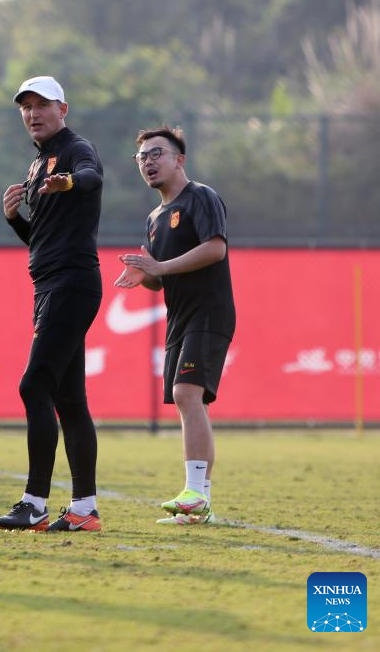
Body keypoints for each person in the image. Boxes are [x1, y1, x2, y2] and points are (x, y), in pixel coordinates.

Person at [0, 75, 104, 533]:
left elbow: (93, 177)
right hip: (52, 285)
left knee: (32, 385)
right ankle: (84, 509)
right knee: (68, 398)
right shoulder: (37, 165)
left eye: (42, 105)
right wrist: (14, 218)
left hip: (71, 285)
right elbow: (40, 240)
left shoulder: (76, 148)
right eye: (26, 107)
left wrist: (70, 183)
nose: (33, 113)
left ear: (63, 109)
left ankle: (34, 502)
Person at [116, 125, 235, 526]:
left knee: (187, 393)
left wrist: (160, 267)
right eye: (142, 157)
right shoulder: (154, 217)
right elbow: (158, 276)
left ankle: (196, 495)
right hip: (180, 318)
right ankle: (198, 504)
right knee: (189, 401)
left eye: (157, 154)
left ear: (179, 159)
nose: (148, 162)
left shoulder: (201, 196)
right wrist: (144, 275)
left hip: (209, 311)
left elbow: (215, 248)